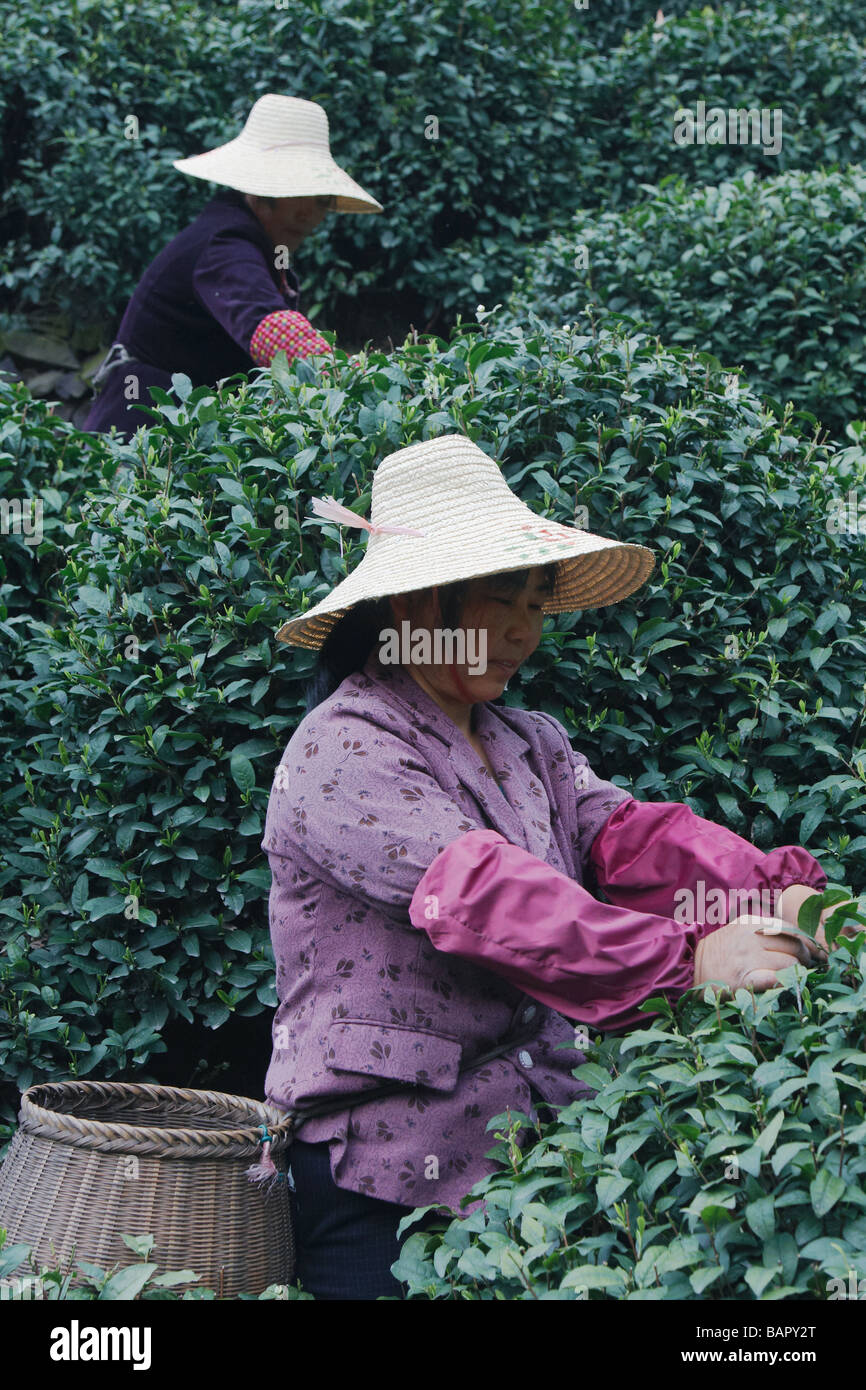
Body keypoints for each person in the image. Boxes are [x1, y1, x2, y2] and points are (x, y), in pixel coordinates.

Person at [261, 433, 848, 1301]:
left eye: (534, 604)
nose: (524, 631)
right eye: (502, 601)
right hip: (379, 1171)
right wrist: (691, 963)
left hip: (528, 1154)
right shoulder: (344, 748)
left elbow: (637, 839)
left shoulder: (527, 742)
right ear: (415, 609)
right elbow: (484, 898)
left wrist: (783, 893)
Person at [84, 94, 381, 440]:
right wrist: (361, 379)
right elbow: (272, 332)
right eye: (294, 192)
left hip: (179, 430)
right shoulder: (224, 244)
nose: (308, 214)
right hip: (138, 435)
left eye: (319, 200)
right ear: (258, 187)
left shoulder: (258, 252)